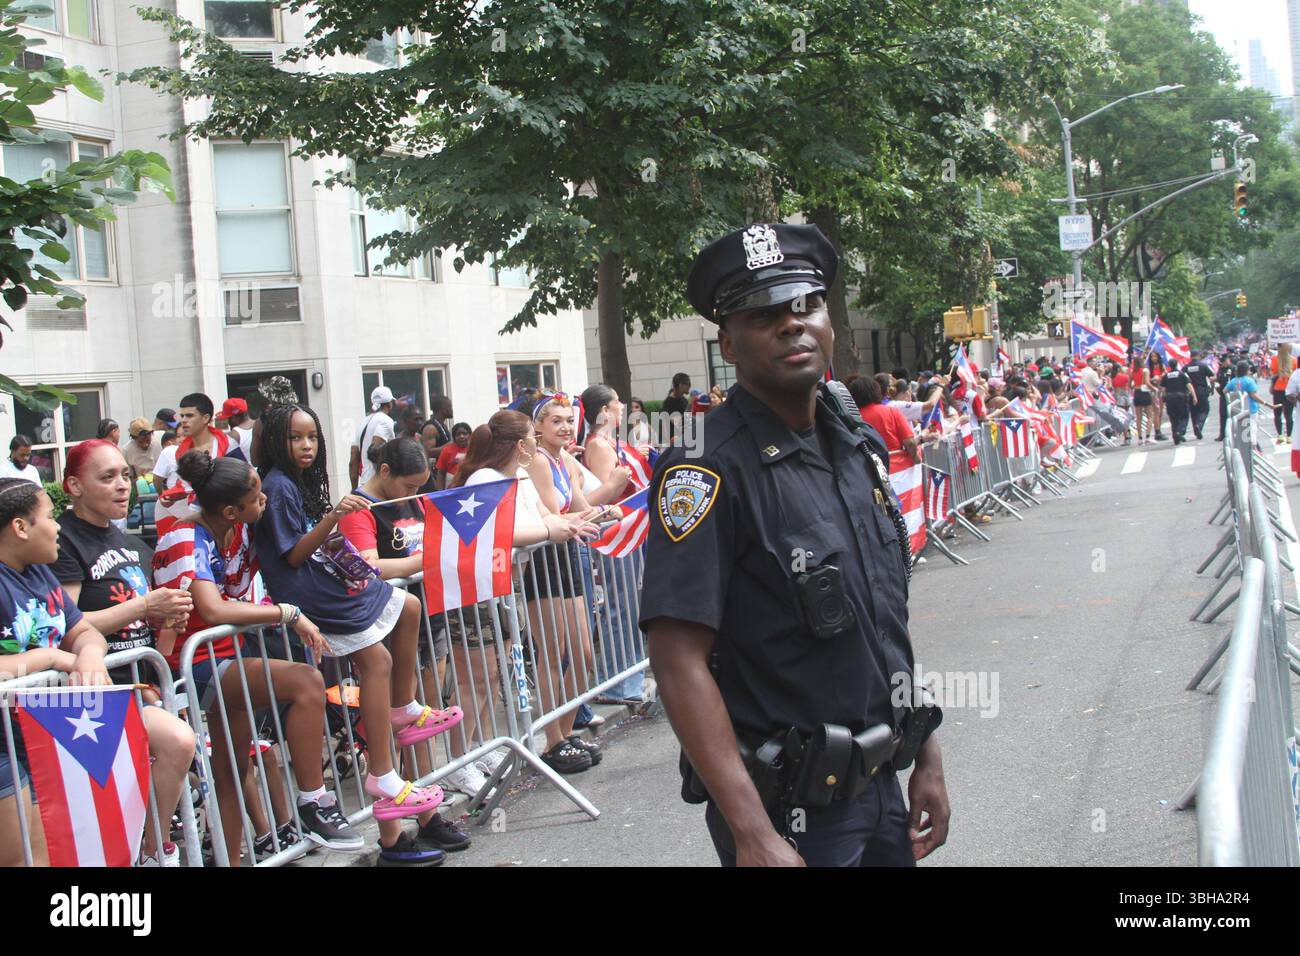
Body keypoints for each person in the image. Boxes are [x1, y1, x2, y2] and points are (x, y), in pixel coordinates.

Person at [643, 222, 948, 867]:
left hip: (883, 786)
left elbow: (882, 617)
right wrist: (752, 832)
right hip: (790, 812)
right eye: (763, 315)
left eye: (805, 305)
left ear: (829, 323)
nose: (792, 325)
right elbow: (677, 659)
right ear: (727, 342)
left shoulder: (855, 443)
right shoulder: (702, 466)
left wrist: (926, 755)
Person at [254, 403, 460, 864]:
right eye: (295, 438)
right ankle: (382, 773)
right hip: (307, 589)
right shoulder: (277, 485)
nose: (306, 446)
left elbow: (318, 543)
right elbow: (290, 556)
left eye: (312, 437)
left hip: (326, 577)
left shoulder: (300, 482)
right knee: (377, 660)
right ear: (275, 443)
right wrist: (334, 519)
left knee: (407, 605)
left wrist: (338, 547)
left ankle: (403, 706)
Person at [152, 451, 366, 866]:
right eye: (257, 496)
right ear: (232, 510)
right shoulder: (183, 536)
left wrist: (333, 515)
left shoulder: (237, 530)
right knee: (306, 681)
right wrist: (288, 613)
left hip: (228, 657)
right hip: (192, 665)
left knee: (232, 774)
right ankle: (313, 801)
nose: (265, 499)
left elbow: (295, 551)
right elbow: (213, 611)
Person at [50, 439, 199, 866]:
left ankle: (150, 847)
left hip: (142, 683)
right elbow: (66, 627)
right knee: (176, 742)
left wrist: (170, 621)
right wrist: (145, 606)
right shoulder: (62, 541)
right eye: (108, 477)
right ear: (74, 486)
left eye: (126, 476)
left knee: (181, 744)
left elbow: (155, 636)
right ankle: (149, 850)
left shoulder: (131, 542)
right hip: (94, 687)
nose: (122, 486)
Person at [337, 437, 475, 852]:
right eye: (409, 486)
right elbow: (369, 565)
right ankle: (392, 835)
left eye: (420, 486)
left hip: (420, 620)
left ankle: (429, 814)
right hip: (381, 627)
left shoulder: (409, 501)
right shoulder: (360, 508)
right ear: (383, 473)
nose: (414, 495)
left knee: (418, 728)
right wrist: (426, 561)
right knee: (388, 734)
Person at [452, 411, 601, 773]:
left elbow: (543, 517)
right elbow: (496, 534)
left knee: (494, 673)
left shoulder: (516, 474)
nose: (536, 444)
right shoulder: (485, 479)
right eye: (533, 437)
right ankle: (461, 760)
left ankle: (483, 747)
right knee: (480, 677)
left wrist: (569, 523)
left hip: (506, 584)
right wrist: (552, 531)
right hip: (479, 586)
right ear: (521, 445)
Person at [153, 393, 252, 535]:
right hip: (194, 518)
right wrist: (172, 495)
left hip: (228, 517)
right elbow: (185, 486)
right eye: (182, 416)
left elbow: (245, 477)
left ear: (206, 418)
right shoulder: (181, 452)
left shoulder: (226, 444)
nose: (184, 421)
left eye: (190, 416)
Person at [349, 386, 397, 489]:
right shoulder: (386, 421)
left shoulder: (361, 423)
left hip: (364, 484)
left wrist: (354, 490)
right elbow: (374, 451)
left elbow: (353, 461)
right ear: (389, 404)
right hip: (380, 485)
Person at [1159, 360, 1196, 445]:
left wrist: (1163, 400)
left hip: (1170, 399)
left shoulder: (1166, 376)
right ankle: (1180, 432)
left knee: (1173, 418)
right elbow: (1189, 385)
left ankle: (1175, 436)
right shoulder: (1181, 374)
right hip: (1181, 398)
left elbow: (1162, 389)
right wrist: (1194, 396)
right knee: (1184, 416)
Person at [1183, 351, 1214, 442]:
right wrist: (1212, 389)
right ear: (1199, 356)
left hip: (1190, 392)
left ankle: (1196, 429)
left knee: (1194, 412)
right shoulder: (1203, 366)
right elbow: (1212, 377)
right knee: (1204, 410)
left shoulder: (1185, 368)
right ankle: (1199, 425)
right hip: (1202, 391)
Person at [432, 423, 472, 491]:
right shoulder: (447, 450)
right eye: (458, 434)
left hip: (470, 484)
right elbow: (441, 473)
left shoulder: (474, 449)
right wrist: (440, 491)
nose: (461, 436)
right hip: (452, 486)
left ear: (470, 435)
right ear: (454, 437)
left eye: (464, 433)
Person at [1270, 343, 1295, 444]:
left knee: (1277, 413)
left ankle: (1280, 435)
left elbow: (1273, 373)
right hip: (1289, 390)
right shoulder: (1294, 360)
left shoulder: (1274, 359)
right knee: (1288, 415)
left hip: (1278, 390)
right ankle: (1289, 436)